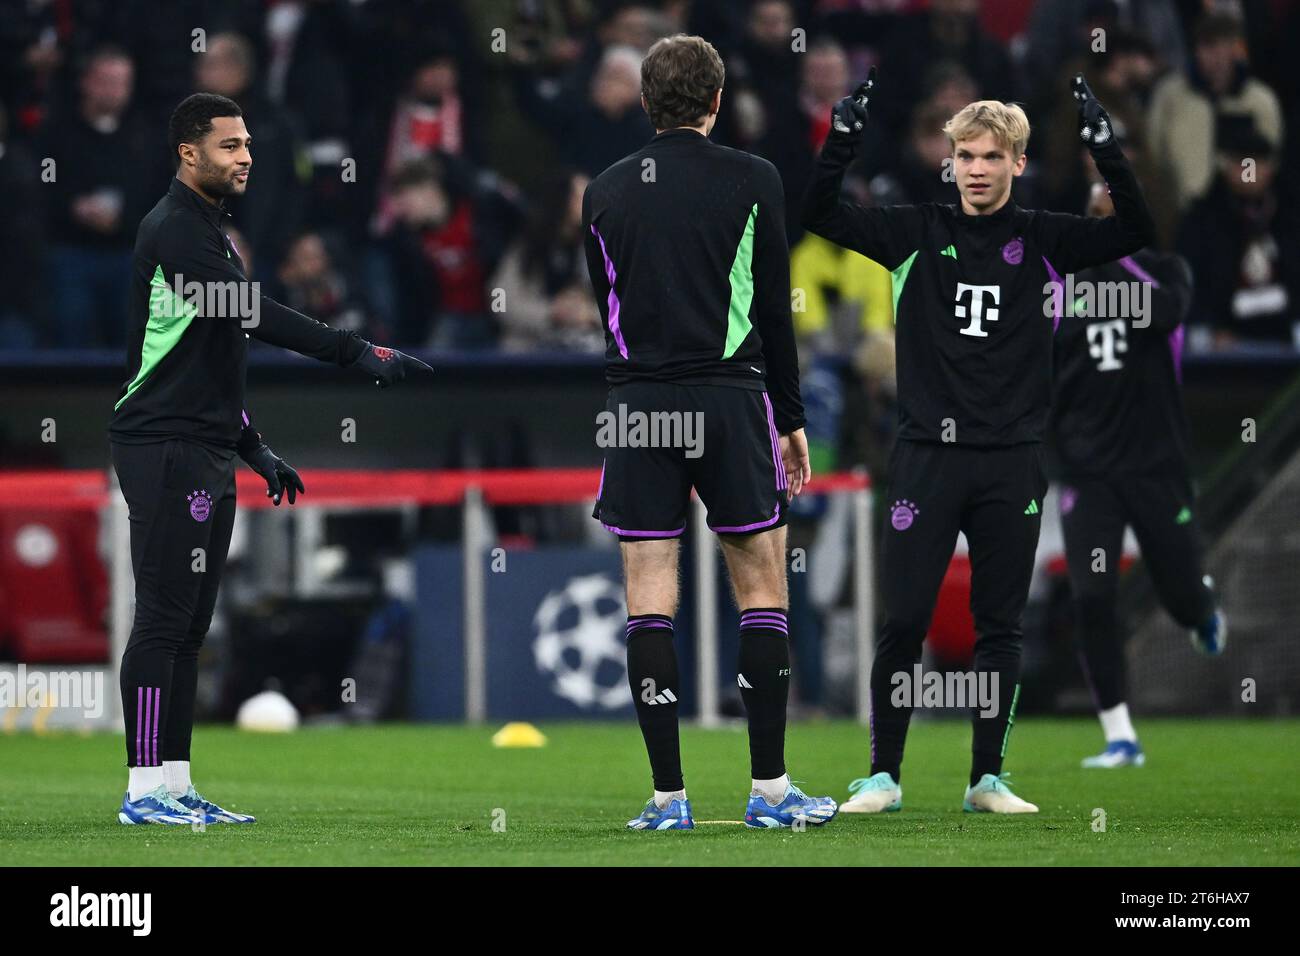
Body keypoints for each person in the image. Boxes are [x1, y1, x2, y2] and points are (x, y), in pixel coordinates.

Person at [802, 70, 1155, 814]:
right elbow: (819, 212)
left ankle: (986, 778)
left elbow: (1135, 231)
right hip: (926, 455)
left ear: (1018, 164)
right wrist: (841, 141)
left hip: (1011, 459)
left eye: (993, 157)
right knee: (903, 619)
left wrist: (1107, 150)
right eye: (965, 155)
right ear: (949, 161)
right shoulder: (914, 230)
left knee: (1002, 624)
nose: (977, 169)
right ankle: (883, 776)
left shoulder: (1044, 238)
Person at [108, 93, 431, 826]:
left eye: (248, 143)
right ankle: (141, 791)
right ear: (189, 153)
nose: (246, 155)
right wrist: (355, 350)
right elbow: (250, 314)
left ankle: (174, 782)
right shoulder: (174, 233)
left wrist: (253, 446)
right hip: (165, 447)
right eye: (229, 145)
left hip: (205, 446)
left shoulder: (209, 235)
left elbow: (209, 358)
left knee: (190, 627)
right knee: (162, 622)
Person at [583, 34, 837, 830]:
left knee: (647, 601)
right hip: (731, 398)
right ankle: (769, 791)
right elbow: (773, 312)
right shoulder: (755, 178)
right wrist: (790, 418)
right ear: (718, 101)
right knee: (761, 587)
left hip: (639, 406)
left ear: (647, 102)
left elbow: (608, 312)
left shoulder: (605, 191)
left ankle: (667, 800)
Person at [1053, 181, 1228, 769]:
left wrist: (1116, 251)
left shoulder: (1165, 271)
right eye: (1092, 206)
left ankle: (1201, 611)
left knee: (1179, 591)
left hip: (1157, 465)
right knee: (1093, 596)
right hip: (1088, 471)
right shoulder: (1061, 291)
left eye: (1111, 206)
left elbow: (1167, 314)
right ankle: (1120, 736)